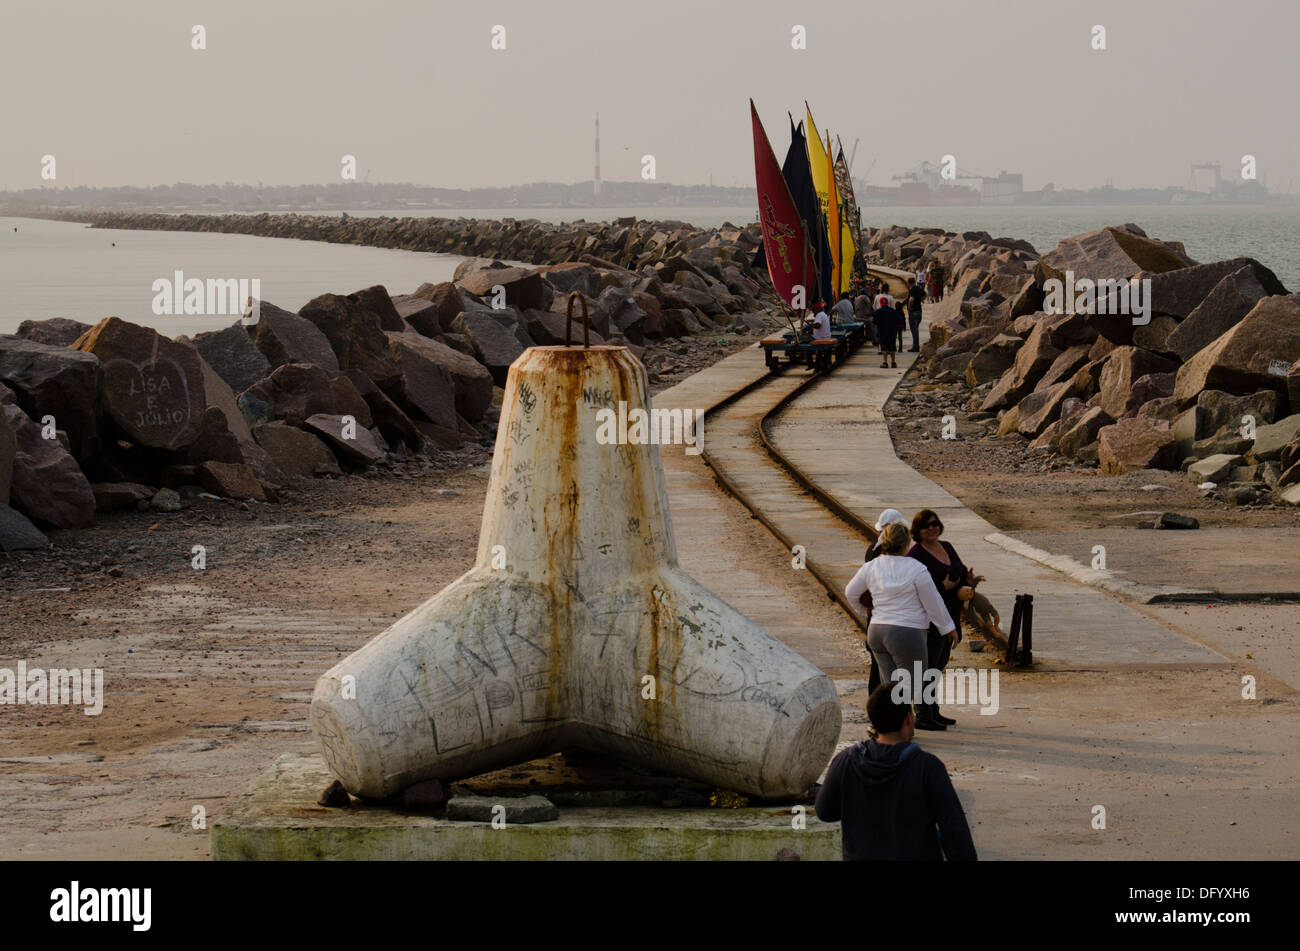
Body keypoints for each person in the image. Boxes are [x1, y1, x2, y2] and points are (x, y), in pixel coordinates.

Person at [815, 684, 978, 861]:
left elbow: (825, 812)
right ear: (908, 719)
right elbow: (955, 833)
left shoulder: (845, 761)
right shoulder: (928, 768)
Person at [845, 522, 955, 731]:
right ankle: (905, 726)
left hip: (877, 631)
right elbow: (933, 603)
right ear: (906, 543)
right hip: (907, 633)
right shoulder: (916, 569)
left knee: (889, 685)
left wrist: (865, 610)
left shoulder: (871, 566)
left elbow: (851, 592)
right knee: (911, 684)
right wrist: (947, 627)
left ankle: (890, 728)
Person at [907, 509, 976, 727]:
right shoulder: (915, 555)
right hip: (930, 619)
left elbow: (961, 571)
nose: (932, 528)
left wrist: (969, 581)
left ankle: (933, 710)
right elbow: (916, 590)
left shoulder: (946, 547)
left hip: (951, 614)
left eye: (935, 523)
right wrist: (945, 587)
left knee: (939, 665)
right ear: (917, 531)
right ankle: (923, 715)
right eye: (926, 526)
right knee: (927, 666)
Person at [861, 508, 910, 697]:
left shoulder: (872, 549)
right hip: (890, 621)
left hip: (876, 622)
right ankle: (880, 710)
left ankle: (877, 709)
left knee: (879, 669)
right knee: (885, 672)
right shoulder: (885, 555)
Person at [872, 294, 901, 368]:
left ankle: (885, 362)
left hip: (882, 332)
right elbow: (898, 320)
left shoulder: (877, 312)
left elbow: (874, 321)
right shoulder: (893, 311)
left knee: (884, 347)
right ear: (887, 303)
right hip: (892, 332)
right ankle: (893, 362)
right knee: (892, 347)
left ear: (881, 303)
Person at [905, 278, 925, 352]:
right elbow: (924, 295)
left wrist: (910, 307)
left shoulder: (912, 290)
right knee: (916, 329)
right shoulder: (918, 288)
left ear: (909, 283)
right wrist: (921, 300)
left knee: (914, 330)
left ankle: (915, 347)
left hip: (913, 312)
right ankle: (915, 346)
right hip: (919, 311)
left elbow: (911, 299)